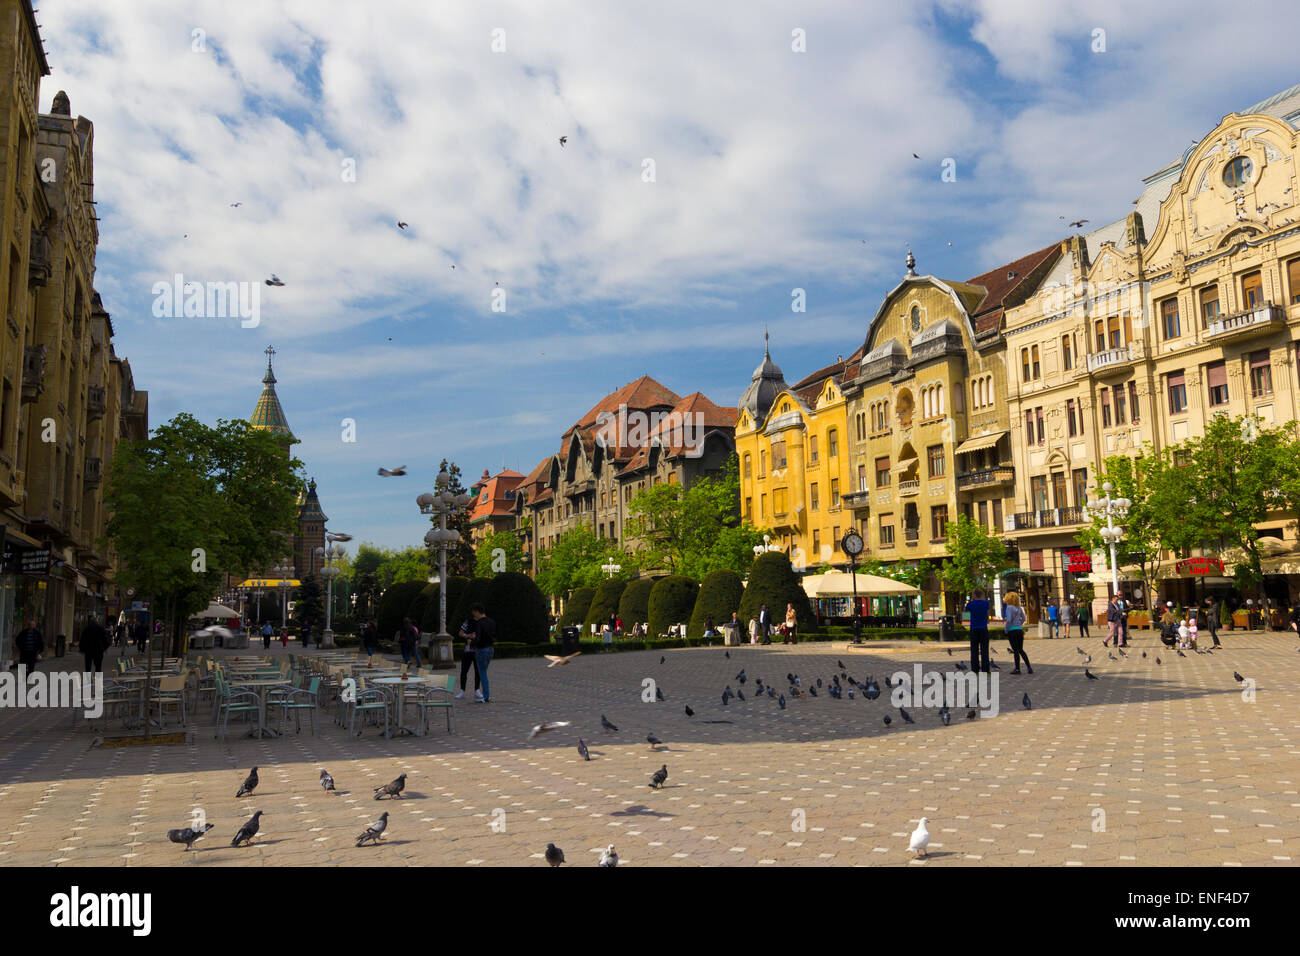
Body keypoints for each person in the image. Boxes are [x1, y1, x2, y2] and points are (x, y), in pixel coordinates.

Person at [470, 604, 495, 703]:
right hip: (490, 649)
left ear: (477, 611)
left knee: (482, 673)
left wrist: (472, 643)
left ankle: (486, 696)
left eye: (474, 613)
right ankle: (486, 695)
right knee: (484, 672)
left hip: (482, 649)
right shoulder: (492, 622)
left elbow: (478, 637)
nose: (473, 615)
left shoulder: (479, 623)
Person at [964, 588, 991, 674]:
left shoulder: (970, 604)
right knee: (984, 650)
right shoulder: (986, 603)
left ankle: (975, 669)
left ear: (974, 595)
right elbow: (987, 614)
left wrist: (971, 601)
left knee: (974, 650)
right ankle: (985, 669)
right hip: (983, 628)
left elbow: (965, 610)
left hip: (974, 628)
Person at [1003, 592, 1030, 674]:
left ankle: (1017, 669)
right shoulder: (1018, 607)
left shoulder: (1009, 608)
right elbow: (1024, 618)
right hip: (1019, 630)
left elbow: (1009, 620)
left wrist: (1006, 629)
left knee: (1015, 650)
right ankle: (1029, 667)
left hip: (1012, 631)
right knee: (1021, 649)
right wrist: (1019, 624)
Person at [455, 618, 480, 699]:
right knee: (464, 671)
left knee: (478, 671)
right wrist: (468, 635)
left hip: (478, 650)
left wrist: (475, 637)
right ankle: (462, 691)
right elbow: (460, 633)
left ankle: (477, 690)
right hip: (468, 650)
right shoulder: (468, 621)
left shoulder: (482, 622)